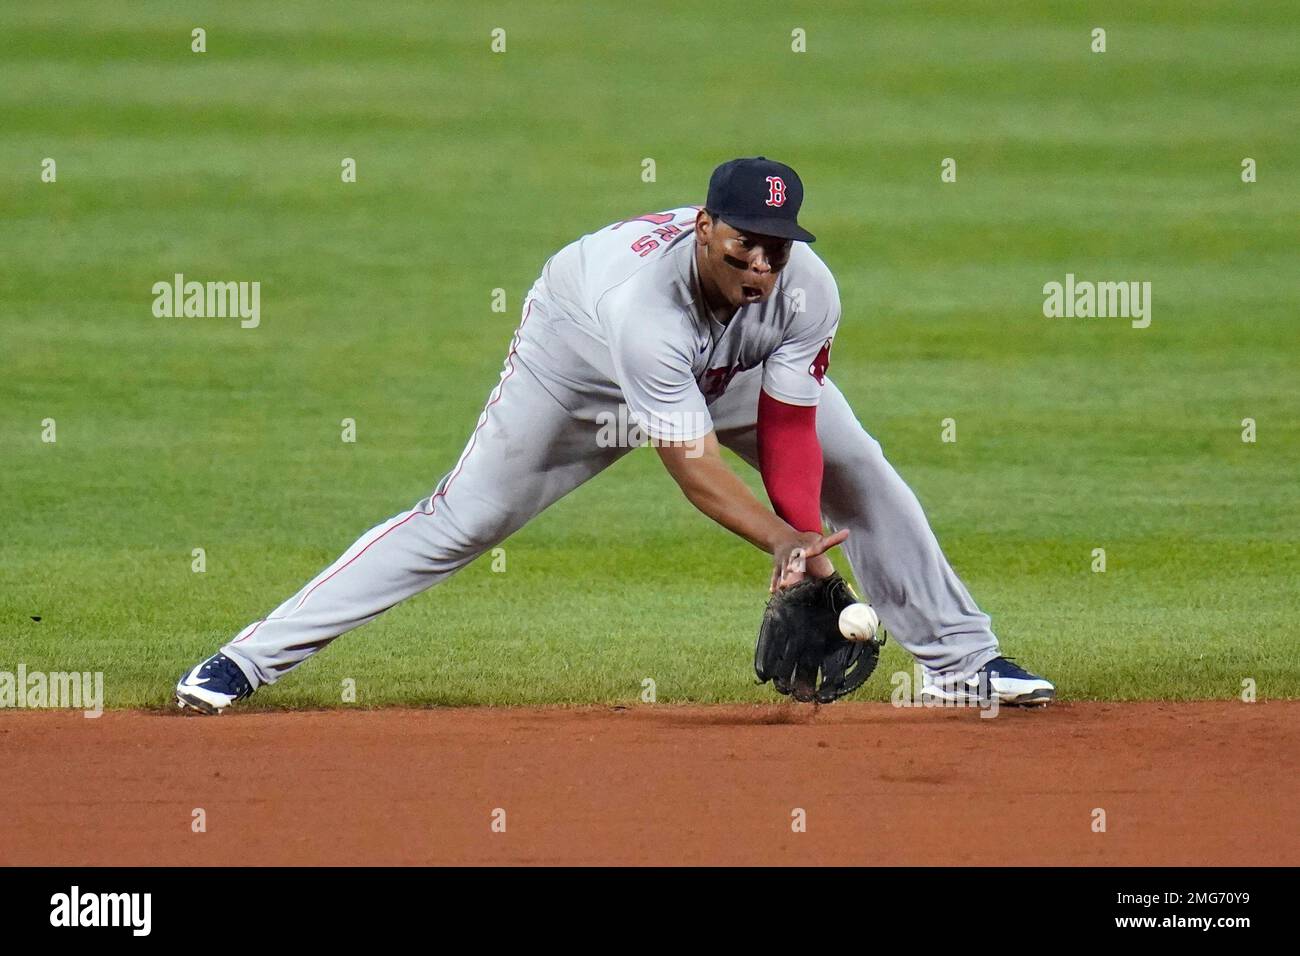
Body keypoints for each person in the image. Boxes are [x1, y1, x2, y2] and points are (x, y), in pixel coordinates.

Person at [175, 156, 1054, 714]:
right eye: (745, 244)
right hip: (577, 366)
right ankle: (247, 661)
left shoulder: (804, 287)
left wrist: (811, 553)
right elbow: (695, 468)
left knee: (857, 466)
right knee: (463, 520)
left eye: (777, 249)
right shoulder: (646, 312)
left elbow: (791, 431)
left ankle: (963, 663)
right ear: (705, 228)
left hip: (728, 369)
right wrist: (780, 543)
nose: (762, 264)